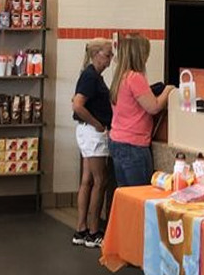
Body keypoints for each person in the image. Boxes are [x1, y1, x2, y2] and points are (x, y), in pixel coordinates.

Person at [109, 34, 174, 188]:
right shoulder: (135, 78)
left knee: (125, 194)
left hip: (117, 140)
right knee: (140, 193)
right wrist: (168, 90)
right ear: (139, 54)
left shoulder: (120, 77)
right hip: (134, 145)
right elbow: (154, 107)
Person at [71, 38, 113, 248]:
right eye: (107, 55)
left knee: (87, 180)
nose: (110, 59)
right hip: (92, 133)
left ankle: (81, 228)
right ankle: (94, 231)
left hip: (87, 133)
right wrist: (97, 124)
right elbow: (78, 105)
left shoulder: (94, 76)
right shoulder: (90, 76)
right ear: (96, 54)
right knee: (100, 180)